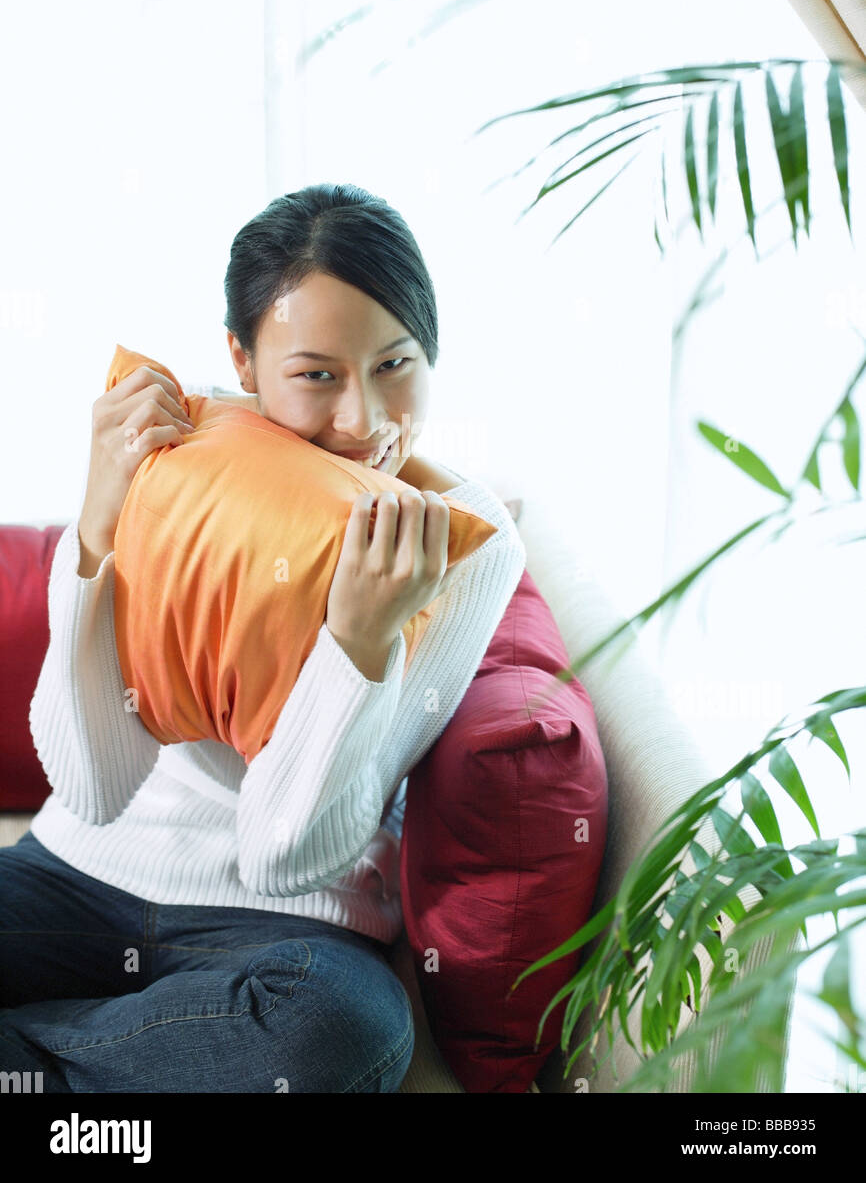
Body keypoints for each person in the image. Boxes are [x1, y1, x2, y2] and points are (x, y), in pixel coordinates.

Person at [0, 182, 526, 1092]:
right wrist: (95, 533)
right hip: (73, 881)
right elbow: (91, 789)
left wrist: (360, 643)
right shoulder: (175, 453)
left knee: (348, 1030)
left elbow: (287, 857)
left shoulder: (463, 539)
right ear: (244, 362)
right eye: (317, 375)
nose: (363, 422)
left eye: (396, 364)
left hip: (281, 932)